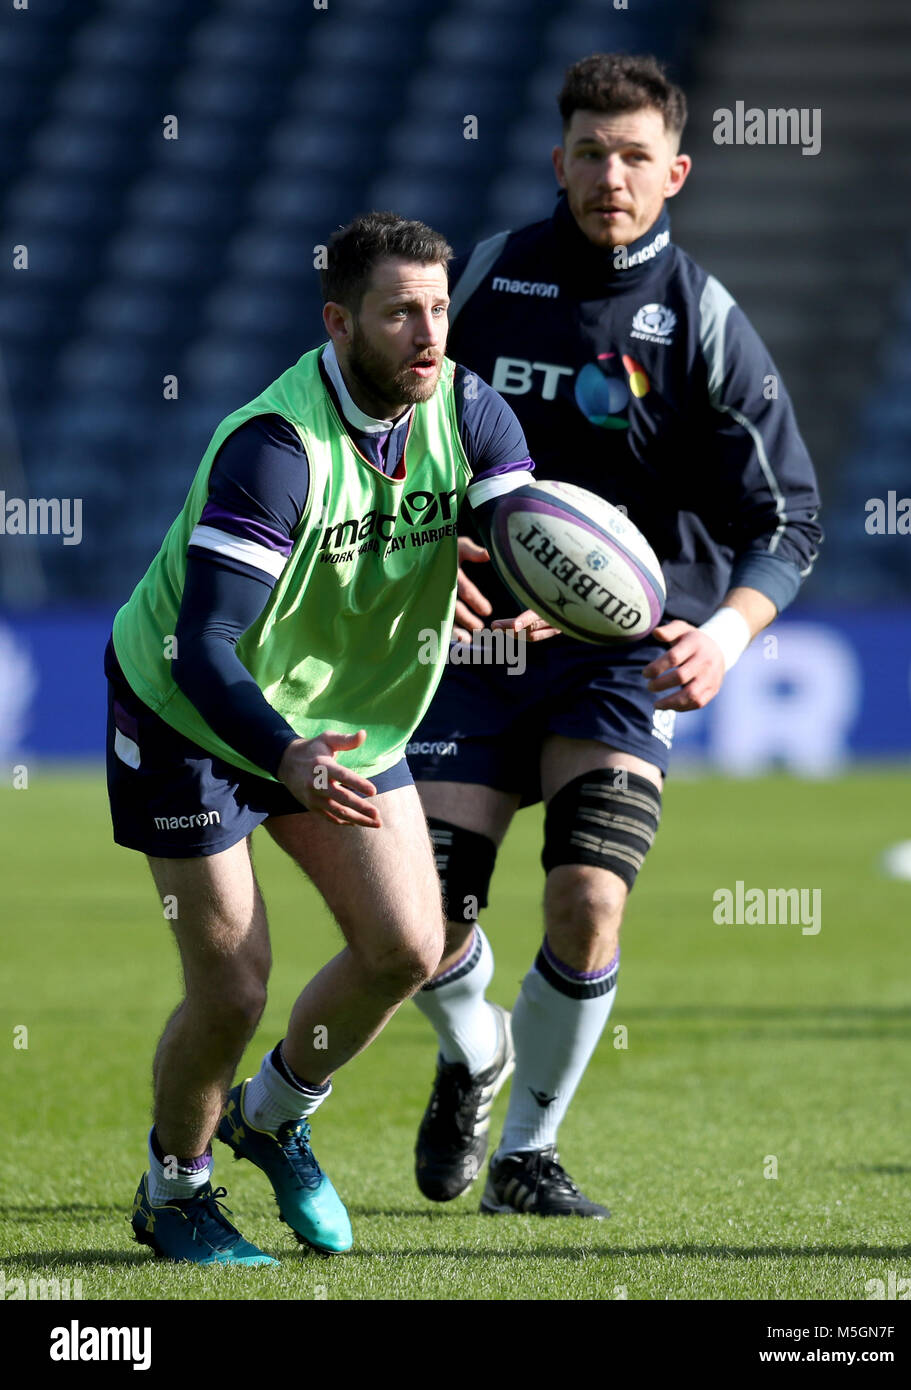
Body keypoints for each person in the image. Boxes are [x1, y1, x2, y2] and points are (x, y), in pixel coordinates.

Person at [407, 53, 823, 1217]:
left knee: (588, 898)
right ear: (558, 160)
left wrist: (729, 636)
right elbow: (399, 445)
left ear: (674, 171)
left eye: (634, 154)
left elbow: (787, 517)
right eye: (589, 151)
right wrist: (431, 556)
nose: (609, 174)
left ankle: (526, 1155)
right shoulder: (484, 280)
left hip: (620, 651)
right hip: (481, 640)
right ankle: (473, 1055)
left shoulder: (700, 317)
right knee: (422, 919)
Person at [104, 211, 537, 1263]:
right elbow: (204, 644)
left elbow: (529, 534)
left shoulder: (468, 407)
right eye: (399, 313)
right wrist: (285, 753)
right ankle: (176, 1189)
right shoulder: (274, 448)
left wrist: (541, 590)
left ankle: (275, 1115)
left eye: (438, 309)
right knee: (233, 984)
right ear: (339, 322)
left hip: (340, 712)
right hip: (193, 715)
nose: (427, 333)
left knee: (406, 945)